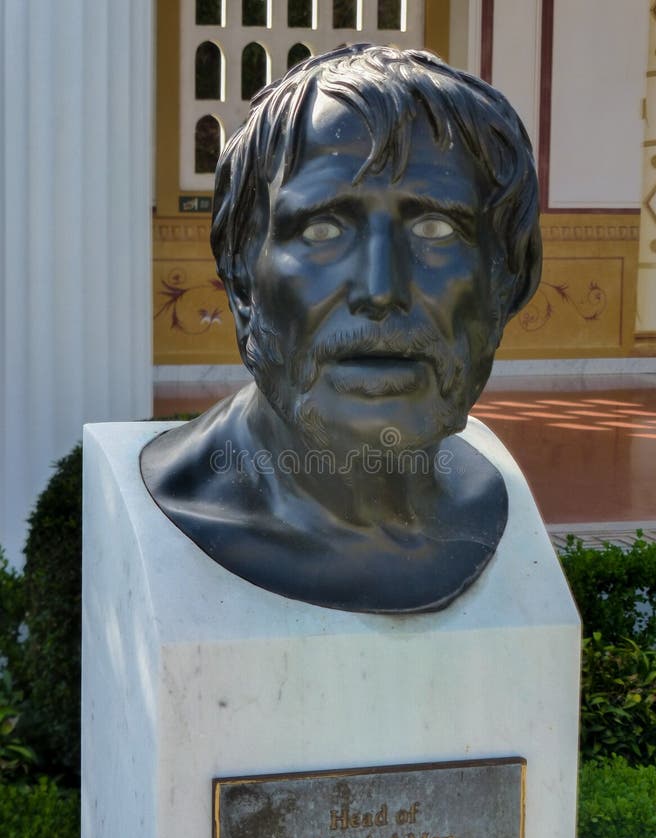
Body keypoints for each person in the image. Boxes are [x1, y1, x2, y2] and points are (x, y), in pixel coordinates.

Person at [141, 44, 542, 613]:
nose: (381, 290)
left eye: (435, 229)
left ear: (509, 283)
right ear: (241, 281)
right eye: (322, 231)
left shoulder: (490, 499)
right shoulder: (179, 514)